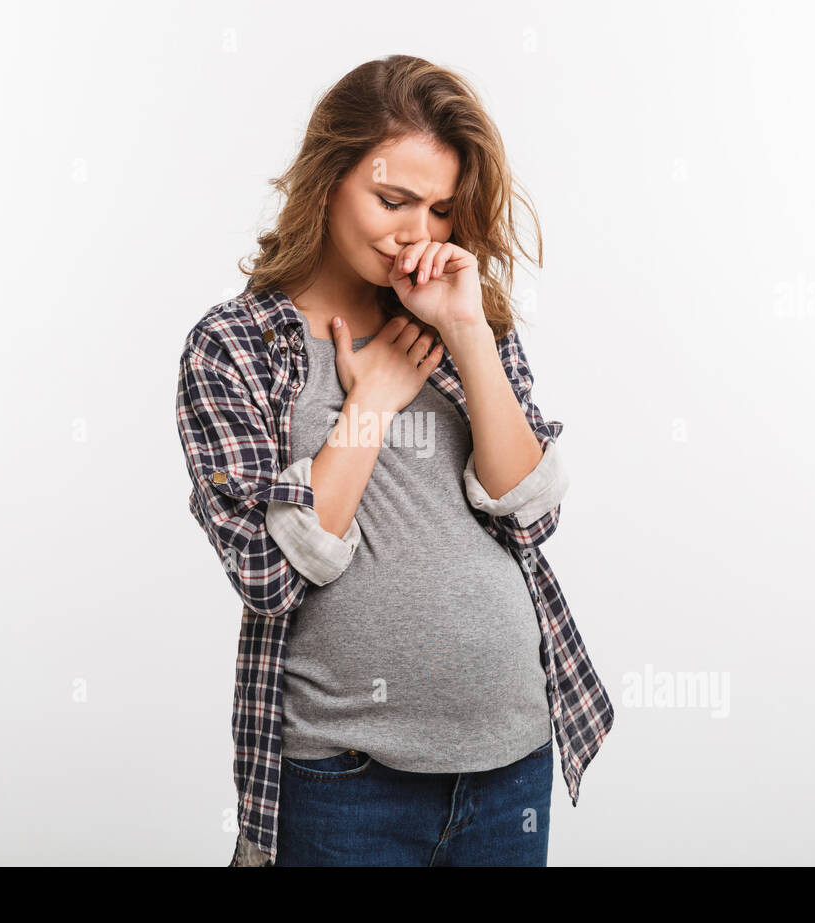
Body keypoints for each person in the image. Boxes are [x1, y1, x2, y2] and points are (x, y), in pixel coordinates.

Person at [175, 54, 615, 867]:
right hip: (344, 783)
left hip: (511, 763)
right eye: (393, 200)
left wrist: (468, 332)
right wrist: (370, 402)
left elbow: (533, 511)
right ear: (328, 180)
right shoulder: (232, 348)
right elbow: (269, 574)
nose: (419, 232)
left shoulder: (456, 316)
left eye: (441, 209)